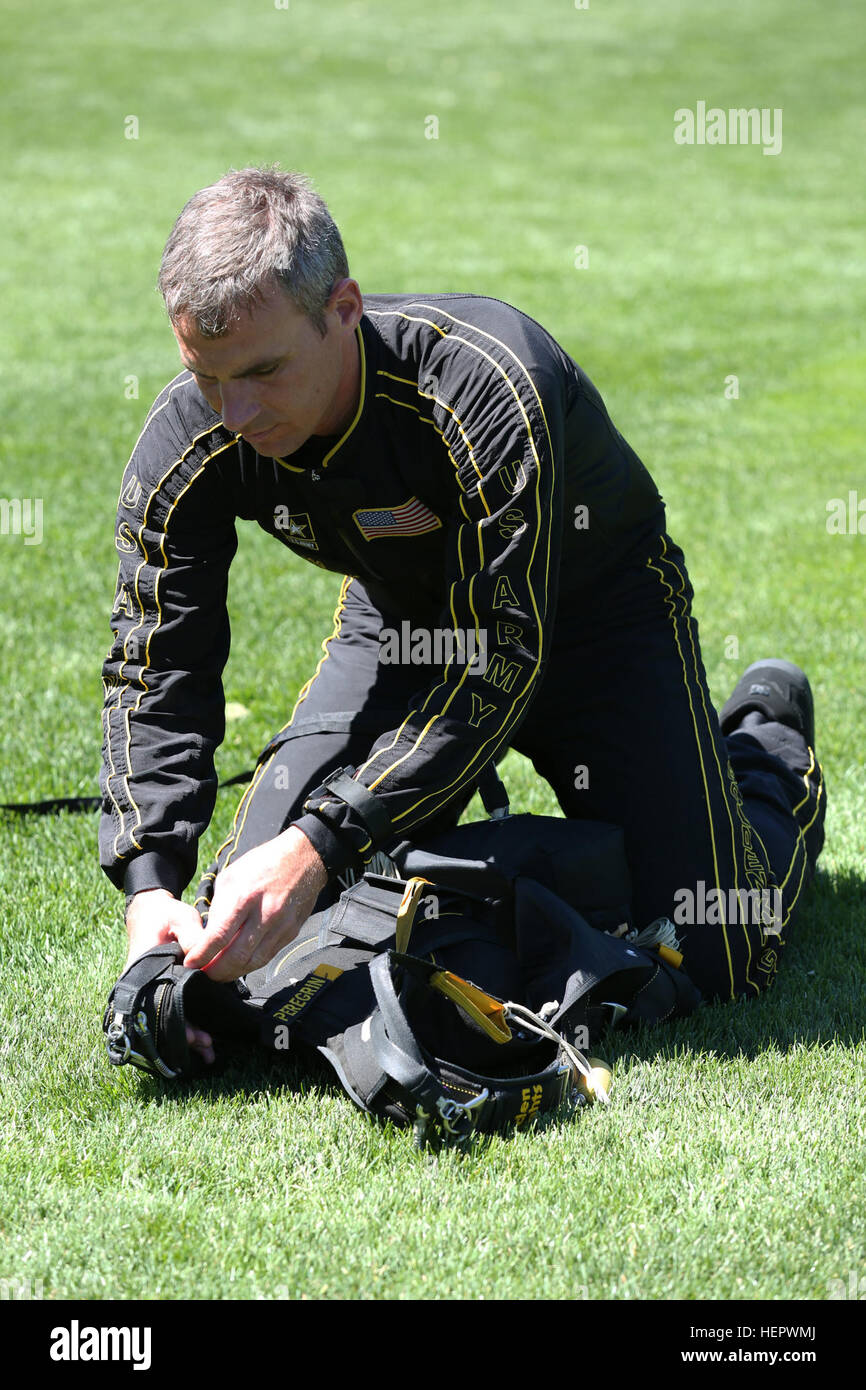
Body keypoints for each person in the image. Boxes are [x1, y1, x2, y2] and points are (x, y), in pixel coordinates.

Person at [99, 166, 825, 1061]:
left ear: (344, 310)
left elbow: (500, 659)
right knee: (237, 952)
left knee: (719, 946)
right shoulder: (191, 437)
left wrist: (322, 840)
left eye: (262, 371)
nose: (234, 411)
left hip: (598, 622)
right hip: (402, 627)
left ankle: (765, 760)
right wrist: (150, 882)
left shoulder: (486, 383)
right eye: (205, 376)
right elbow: (155, 659)